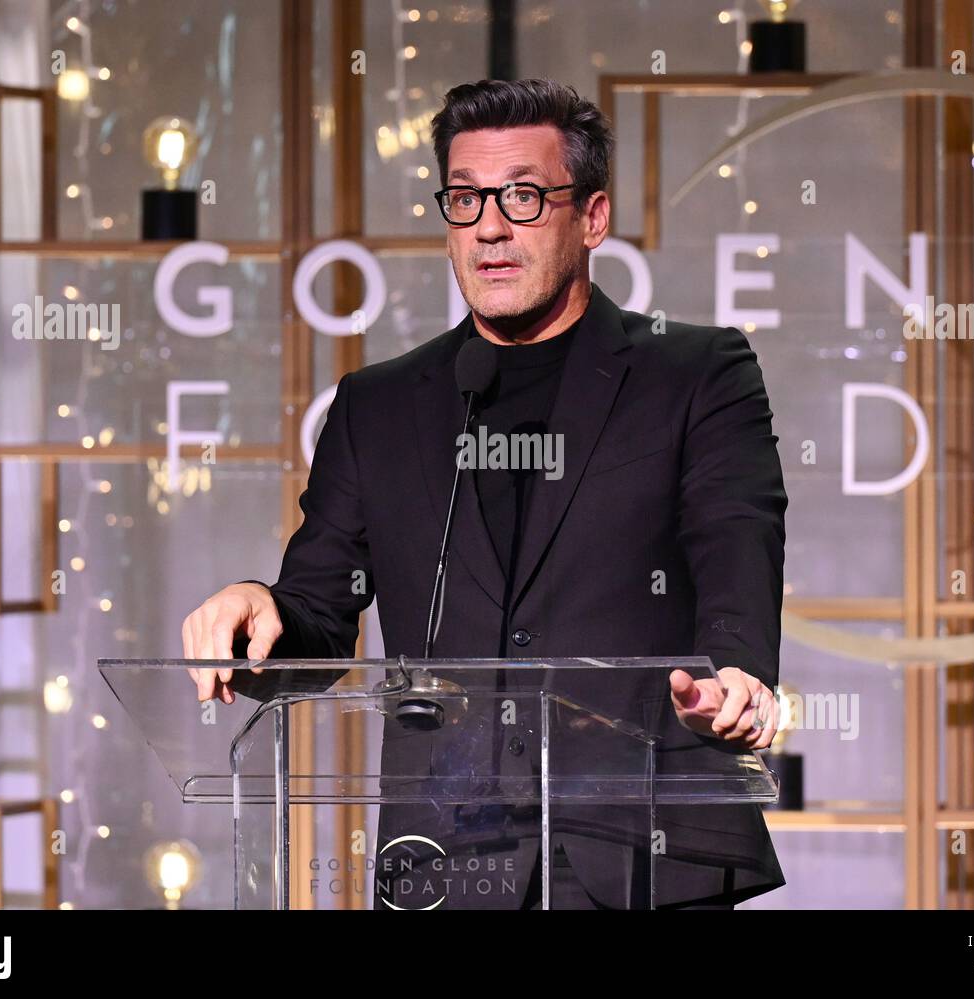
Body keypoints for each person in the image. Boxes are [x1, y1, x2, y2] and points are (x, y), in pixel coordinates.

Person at [183, 78, 787, 909]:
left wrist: (739, 670)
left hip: (639, 854)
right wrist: (262, 609)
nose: (491, 227)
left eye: (525, 196)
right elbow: (319, 610)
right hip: (445, 860)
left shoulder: (693, 373)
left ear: (594, 217)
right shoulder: (380, 405)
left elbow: (735, 539)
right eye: (465, 200)